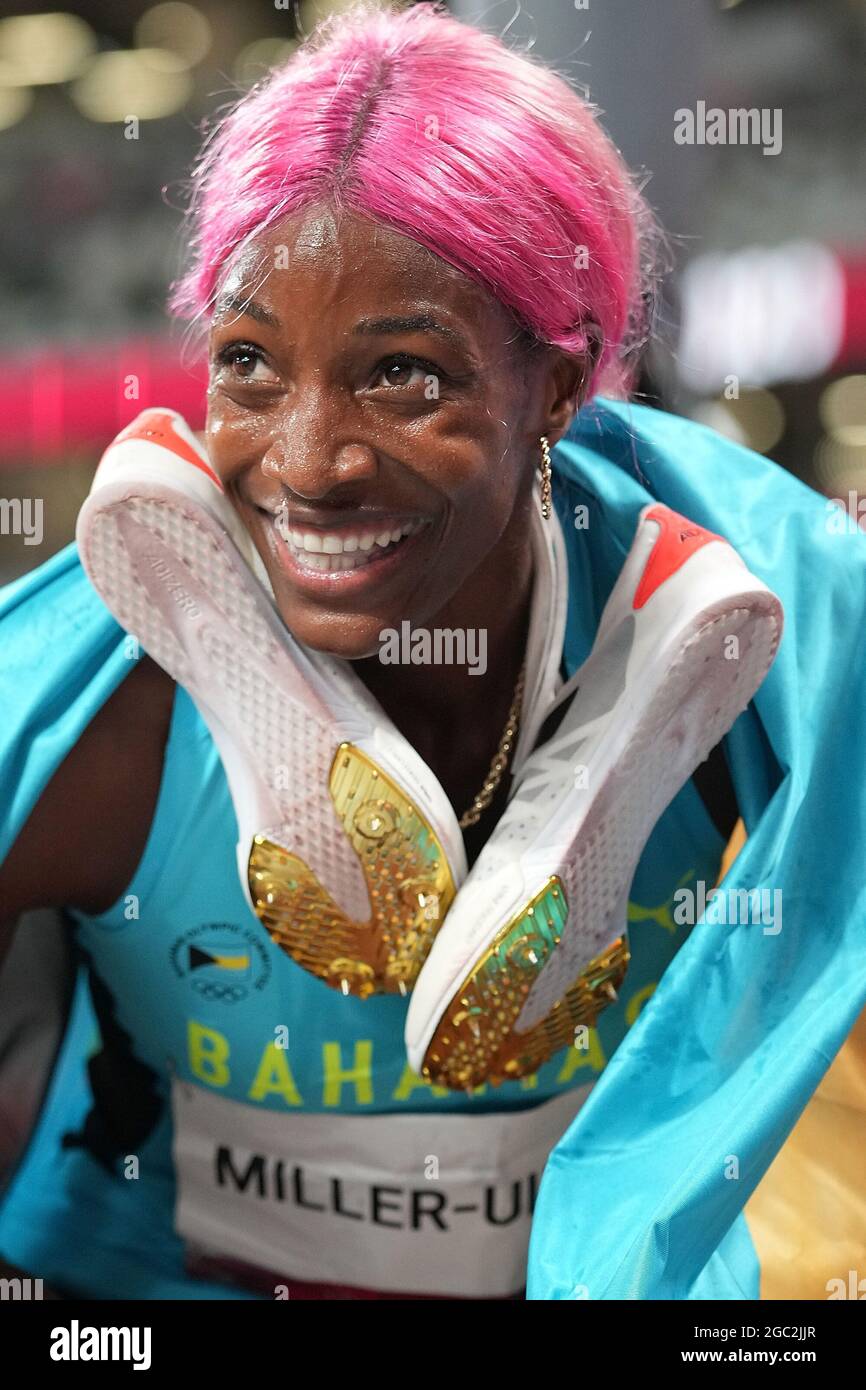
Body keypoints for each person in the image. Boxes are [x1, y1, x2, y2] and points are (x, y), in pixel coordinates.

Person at [1, 1, 864, 1302]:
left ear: (561, 388)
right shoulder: (99, 729)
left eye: (401, 376)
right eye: (246, 364)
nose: (307, 462)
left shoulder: (758, 692)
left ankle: (582, 680)